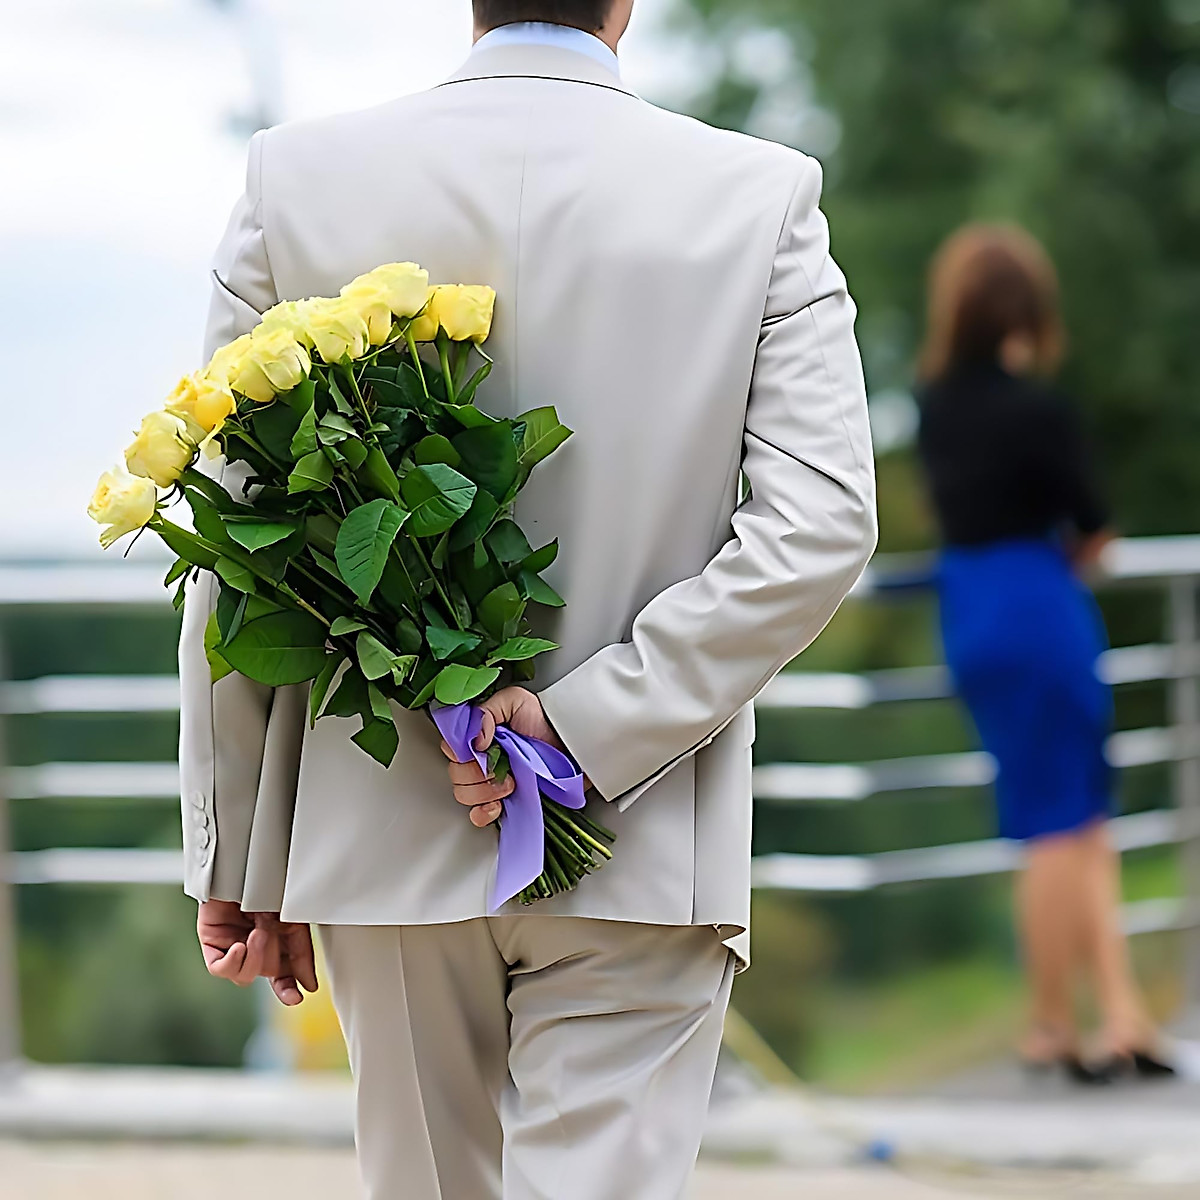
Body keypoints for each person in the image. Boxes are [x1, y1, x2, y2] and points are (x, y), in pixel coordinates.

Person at [181, 2, 877, 1195]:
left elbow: (232, 543)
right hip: (642, 843)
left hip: (383, 836)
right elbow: (821, 524)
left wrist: (241, 849)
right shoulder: (759, 198)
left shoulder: (296, 181)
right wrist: (588, 728)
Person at [917, 224, 1173, 1083]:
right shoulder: (1039, 411)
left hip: (971, 611)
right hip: (1039, 607)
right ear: (1030, 311)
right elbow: (1094, 529)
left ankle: (1124, 1012)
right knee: (1060, 823)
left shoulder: (934, 406)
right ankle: (1052, 1024)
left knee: (1076, 814)